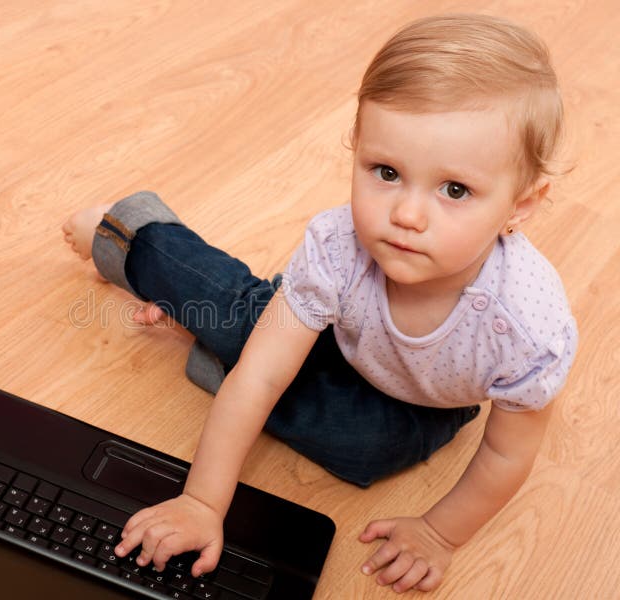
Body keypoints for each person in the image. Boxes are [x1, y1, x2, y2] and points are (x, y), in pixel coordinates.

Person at [62, 14, 577, 593]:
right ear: (356, 149)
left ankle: (208, 348)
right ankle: (131, 237)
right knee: (240, 317)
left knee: (366, 450)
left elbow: (507, 456)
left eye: (454, 190)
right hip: (339, 331)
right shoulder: (340, 248)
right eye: (386, 172)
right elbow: (259, 378)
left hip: (426, 399)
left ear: (520, 206)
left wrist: (438, 533)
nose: (406, 215)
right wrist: (202, 501)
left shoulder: (527, 327)